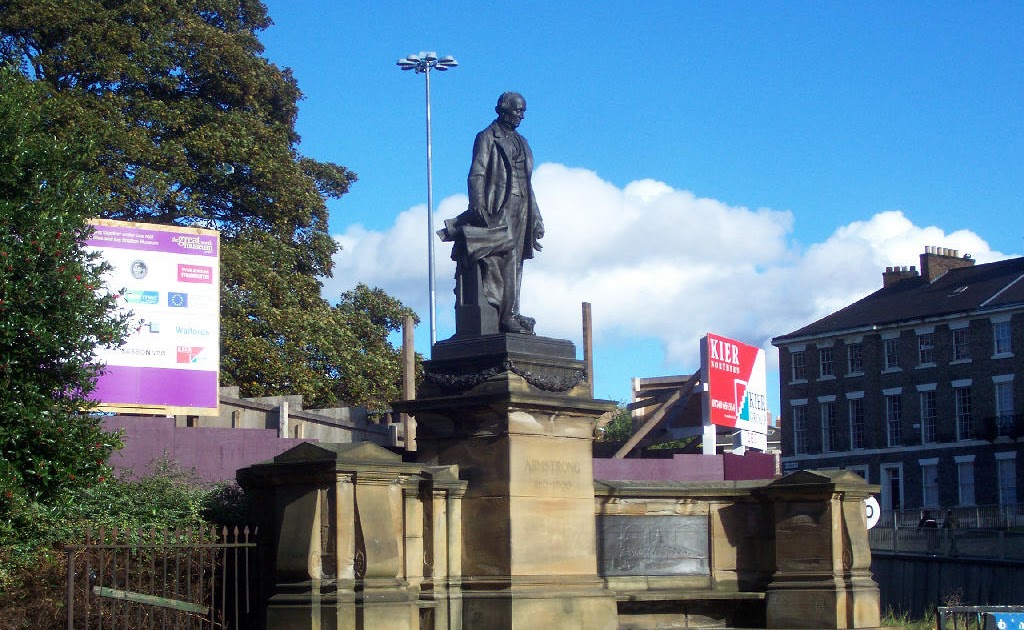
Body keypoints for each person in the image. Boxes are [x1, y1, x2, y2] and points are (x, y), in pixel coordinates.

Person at [439, 92, 545, 335]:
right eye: (517, 110)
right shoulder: (487, 136)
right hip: (499, 205)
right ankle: (507, 316)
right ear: (502, 110)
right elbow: (477, 172)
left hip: (523, 204)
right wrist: (477, 203)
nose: (521, 115)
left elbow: (528, 182)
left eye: (523, 111)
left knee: (516, 260)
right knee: (504, 256)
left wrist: (536, 216)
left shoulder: (523, 142)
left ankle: (513, 312)